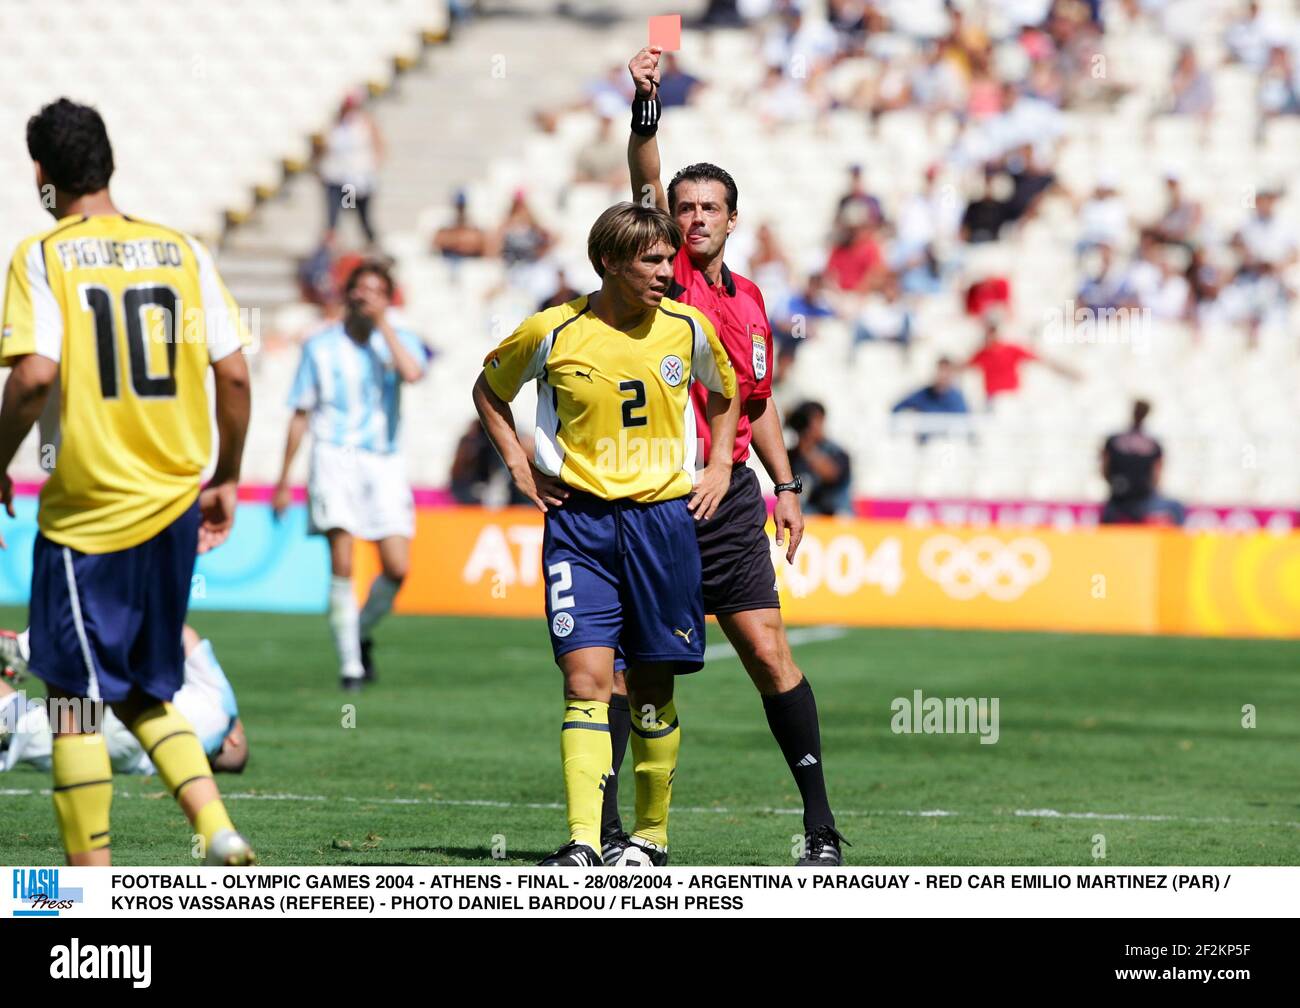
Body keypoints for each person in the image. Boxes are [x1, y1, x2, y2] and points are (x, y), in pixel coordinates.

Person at [0, 98, 254, 866]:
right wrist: (228, 476)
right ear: (108, 161)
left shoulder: (42, 254)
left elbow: (36, 376)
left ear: (42, 174)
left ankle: (91, 885)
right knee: (144, 690)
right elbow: (235, 376)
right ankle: (217, 829)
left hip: (89, 515)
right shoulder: (182, 249)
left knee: (74, 702)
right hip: (175, 503)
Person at [621, 45, 848, 866]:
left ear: (733, 218)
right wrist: (647, 104)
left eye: (711, 207)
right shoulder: (667, 276)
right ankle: (618, 835)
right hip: (660, 492)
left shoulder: (751, 301)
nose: (696, 218)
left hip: (736, 498)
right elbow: (644, 170)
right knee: (640, 672)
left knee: (767, 651)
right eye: (685, 206)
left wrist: (786, 486)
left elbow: (760, 401)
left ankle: (819, 825)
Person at [472, 202, 739, 866]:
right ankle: (583, 842)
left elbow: (729, 393)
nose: (666, 271)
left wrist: (722, 464)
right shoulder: (552, 332)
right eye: (651, 260)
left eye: (666, 258)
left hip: (663, 525)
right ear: (610, 263)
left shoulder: (687, 327)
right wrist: (518, 463)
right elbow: (488, 386)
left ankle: (651, 837)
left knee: (652, 688)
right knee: (586, 680)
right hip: (579, 525)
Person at [273, 261, 429, 690]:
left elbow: (413, 373)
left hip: (384, 460)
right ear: (348, 294)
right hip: (333, 457)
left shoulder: (400, 340)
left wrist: (384, 326)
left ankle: (357, 632)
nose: (366, 297)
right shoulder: (320, 346)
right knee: (342, 559)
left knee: (398, 568)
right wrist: (284, 479)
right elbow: (300, 413)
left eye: (377, 291)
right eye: (361, 289)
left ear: (387, 298)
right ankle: (350, 670)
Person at [0, 627, 247, 776]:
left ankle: (24, 649)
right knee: (22, 722)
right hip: (117, 750)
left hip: (134, 712)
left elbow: (185, 636)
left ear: (232, 738)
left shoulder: (224, 710)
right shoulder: (182, 766)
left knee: (94, 627)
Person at [1100, 401, 1185, 525]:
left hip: (1117, 501)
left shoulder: (1113, 440)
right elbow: (1157, 475)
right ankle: (1176, 544)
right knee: (1176, 508)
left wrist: (1116, 488)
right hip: (1143, 500)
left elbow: (1104, 469)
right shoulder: (1153, 444)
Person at [318, 92, 384, 248]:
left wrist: (371, 167)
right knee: (335, 216)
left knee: (358, 213)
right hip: (338, 178)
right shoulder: (335, 125)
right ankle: (332, 245)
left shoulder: (364, 123)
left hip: (357, 180)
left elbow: (379, 146)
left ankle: (369, 242)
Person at [965, 319, 1078, 403]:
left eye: (992, 331)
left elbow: (1042, 360)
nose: (990, 335)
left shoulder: (1011, 348)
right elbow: (963, 367)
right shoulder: (981, 353)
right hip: (992, 398)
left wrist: (1068, 372)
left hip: (1012, 397)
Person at [786, 401, 853, 516]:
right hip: (808, 515)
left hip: (836, 516)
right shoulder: (793, 455)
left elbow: (831, 474)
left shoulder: (837, 452)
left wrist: (808, 449)